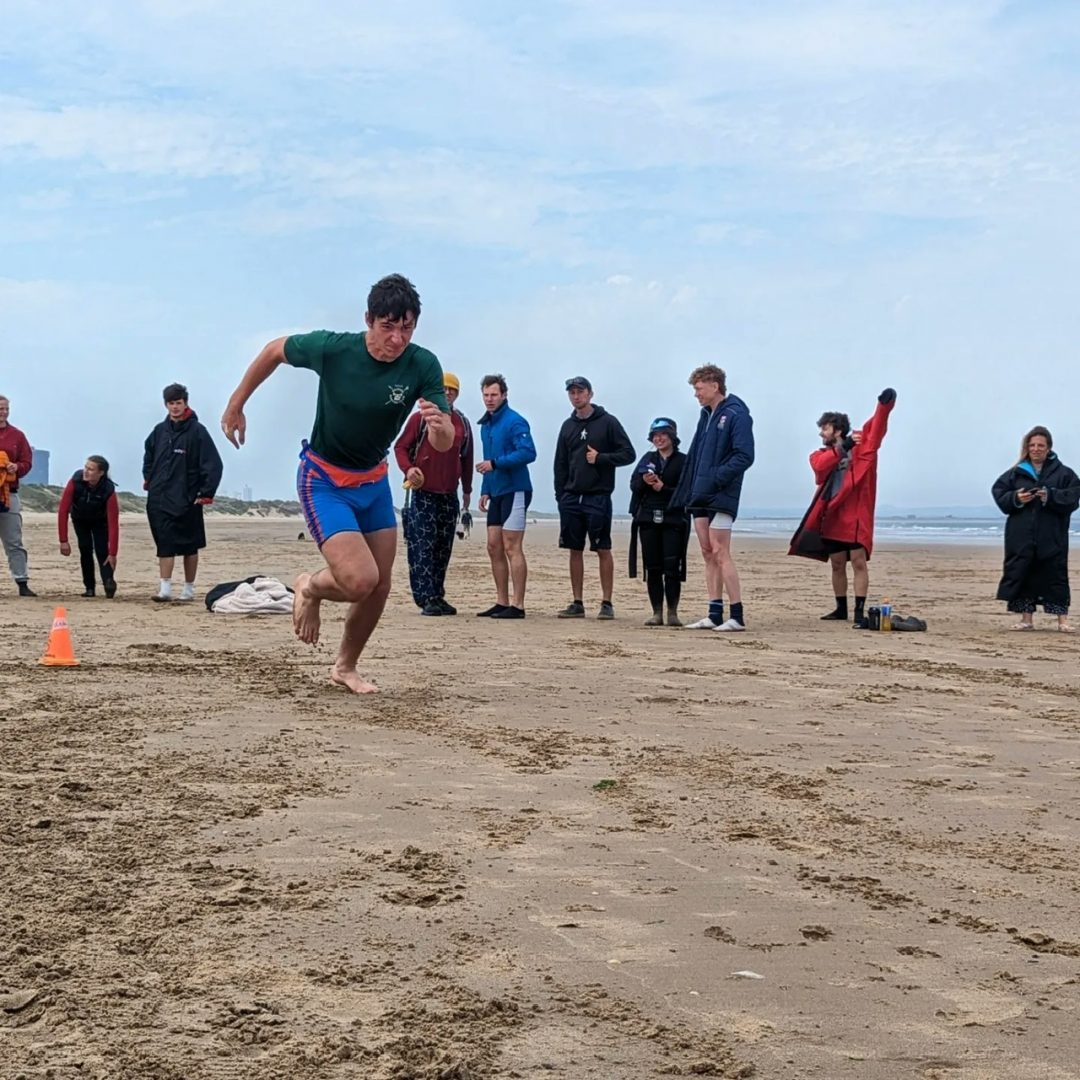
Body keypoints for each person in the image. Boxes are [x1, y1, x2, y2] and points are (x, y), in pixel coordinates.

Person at [220, 274, 453, 693]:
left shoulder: (422, 364)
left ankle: (345, 666)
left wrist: (438, 428)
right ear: (368, 319)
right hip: (323, 480)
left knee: (379, 586)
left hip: (373, 482)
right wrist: (236, 404)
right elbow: (274, 350)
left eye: (407, 328)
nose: (397, 339)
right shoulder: (334, 349)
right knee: (359, 579)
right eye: (388, 326)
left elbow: (445, 437)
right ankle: (308, 585)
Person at [788, 389, 897, 628]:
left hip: (856, 516)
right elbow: (820, 469)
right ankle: (841, 609)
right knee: (837, 563)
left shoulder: (863, 447)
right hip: (834, 516)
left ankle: (859, 611)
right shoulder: (820, 455)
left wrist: (884, 405)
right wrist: (842, 448)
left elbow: (876, 428)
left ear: (836, 430)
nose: (821, 433)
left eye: (825, 428)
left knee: (858, 561)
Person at [671, 365, 754, 632]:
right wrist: (690, 486)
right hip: (700, 492)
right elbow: (695, 454)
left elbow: (745, 456)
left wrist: (717, 477)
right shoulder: (705, 415)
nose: (696, 394)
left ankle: (737, 615)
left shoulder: (736, 414)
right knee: (707, 552)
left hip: (722, 492)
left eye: (698, 388)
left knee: (720, 551)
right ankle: (714, 612)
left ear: (714, 385)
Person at [553, 376, 635, 619]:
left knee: (602, 548)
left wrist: (601, 458)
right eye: (572, 392)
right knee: (574, 549)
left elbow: (628, 454)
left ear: (590, 393)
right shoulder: (567, 426)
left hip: (597, 496)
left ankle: (606, 602)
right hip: (571, 498)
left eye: (580, 391)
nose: (576, 396)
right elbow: (560, 464)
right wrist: (561, 496)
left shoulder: (608, 422)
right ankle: (577, 602)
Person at [394, 370, 474, 615]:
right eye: (443, 389)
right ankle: (425, 598)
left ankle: (438, 595)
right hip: (423, 492)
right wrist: (409, 470)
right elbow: (400, 447)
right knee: (422, 546)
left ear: (457, 394)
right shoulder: (420, 419)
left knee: (443, 547)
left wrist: (467, 491)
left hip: (450, 493)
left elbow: (467, 458)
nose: (447, 393)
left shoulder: (462, 423)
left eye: (452, 390)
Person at [992, 426, 1080, 632]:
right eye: (1032, 445)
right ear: (1027, 447)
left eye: (1041, 445)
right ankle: (1026, 619)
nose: (1036, 449)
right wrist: (1016, 498)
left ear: (1049, 448)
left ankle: (1062, 621)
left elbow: (1074, 497)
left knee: (1055, 574)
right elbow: (999, 492)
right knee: (1024, 572)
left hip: (1052, 534)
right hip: (1021, 534)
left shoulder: (1064, 473)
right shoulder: (1016, 472)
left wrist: (1051, 496)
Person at [143, 383, 223, 602]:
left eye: (179, 403)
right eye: (171, 403)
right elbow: (148, 454)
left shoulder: (198, 431)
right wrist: (149, 480)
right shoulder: (160, 430)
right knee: (165, 543)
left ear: (185, 403)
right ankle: (165, 589)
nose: (175, 407)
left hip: (188, 498)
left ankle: (188, 589)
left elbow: (213, 464)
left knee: (190, 545)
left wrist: (205, 492)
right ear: (166, 405)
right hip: (159, 497)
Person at [476, 374, 536, 619]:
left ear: (504, 395)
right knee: (493, 546)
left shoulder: (515, 422)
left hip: (515, 489)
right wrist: (484, 490)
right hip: (497, 491)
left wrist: (496, 464)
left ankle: (518, 605)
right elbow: (487, 460)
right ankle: (501, 601)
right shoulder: (486, 425)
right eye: (486, 395)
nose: (490, 399)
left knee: (512, 547)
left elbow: (528, 453)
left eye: (494, 395)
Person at [628, 418, 689, 626]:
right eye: (655, 435)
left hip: (673, 519)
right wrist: (644, 482)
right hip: (648, 518)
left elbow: (687, 492)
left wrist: (664, 488)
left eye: (663, 434)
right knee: (652, 567)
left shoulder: (683, 461)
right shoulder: (647, 458)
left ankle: (673, 612)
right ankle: (657, 612)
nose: (659, 439)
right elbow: (633, 485)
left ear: (672, 437)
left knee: (672, 566)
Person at [57, 456, 120, 598]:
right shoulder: (75, 481)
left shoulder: (108, 489)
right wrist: (63, 540)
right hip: (80, 520)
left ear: (101, 473)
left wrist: (113, 553)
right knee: (85, 549)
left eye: (91, 469)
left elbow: (113, 523)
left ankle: (108, 582)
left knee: (102, 550)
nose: (86, 471)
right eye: (86, 467)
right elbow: (63, 511)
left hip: (100, 521)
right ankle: (89, 587)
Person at [0, 394, 36, 597]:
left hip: (9, 494)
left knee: (14, 541)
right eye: (0, 409)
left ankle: (22, 582)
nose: (3, 413)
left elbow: (27, 462)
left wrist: (17, 467)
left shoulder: (18, 436)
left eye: (6, 409)